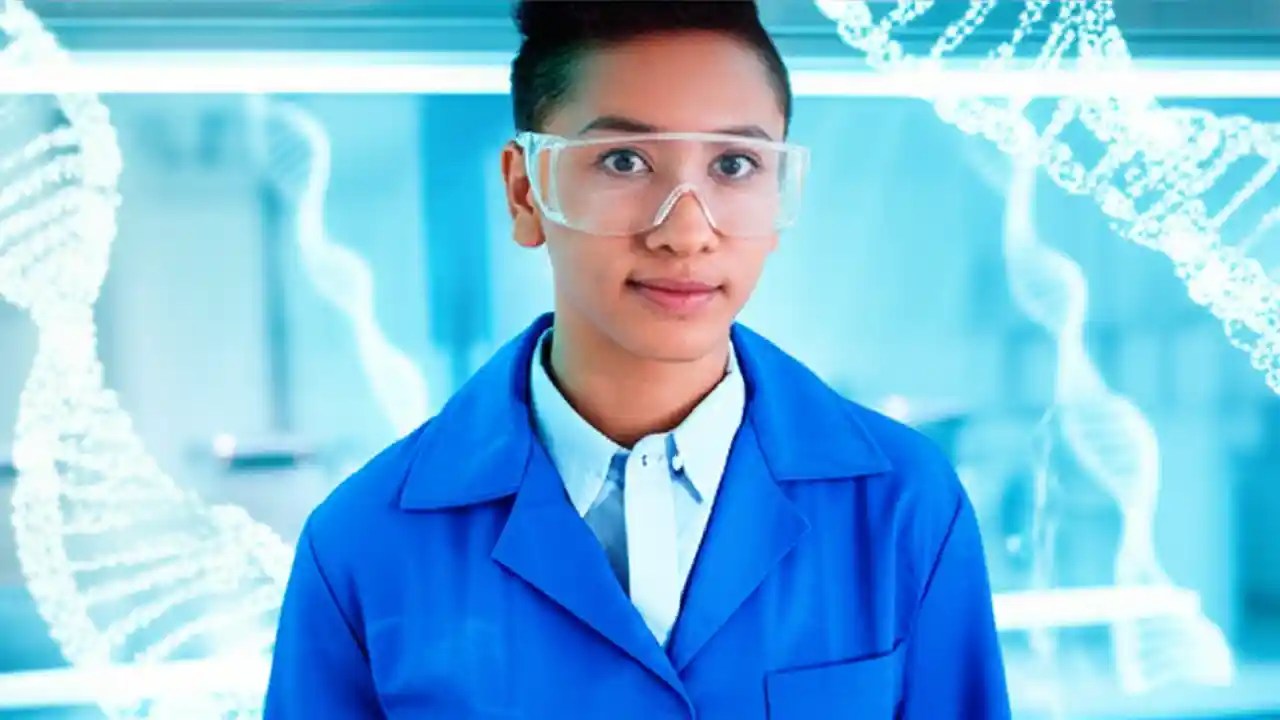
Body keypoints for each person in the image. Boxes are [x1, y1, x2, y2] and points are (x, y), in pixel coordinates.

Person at [264, 1, 1010, 717]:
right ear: (526, 193)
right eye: (623, 160)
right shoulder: (363, 546)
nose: (685, 233)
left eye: (735, 164)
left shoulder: (905, 508)